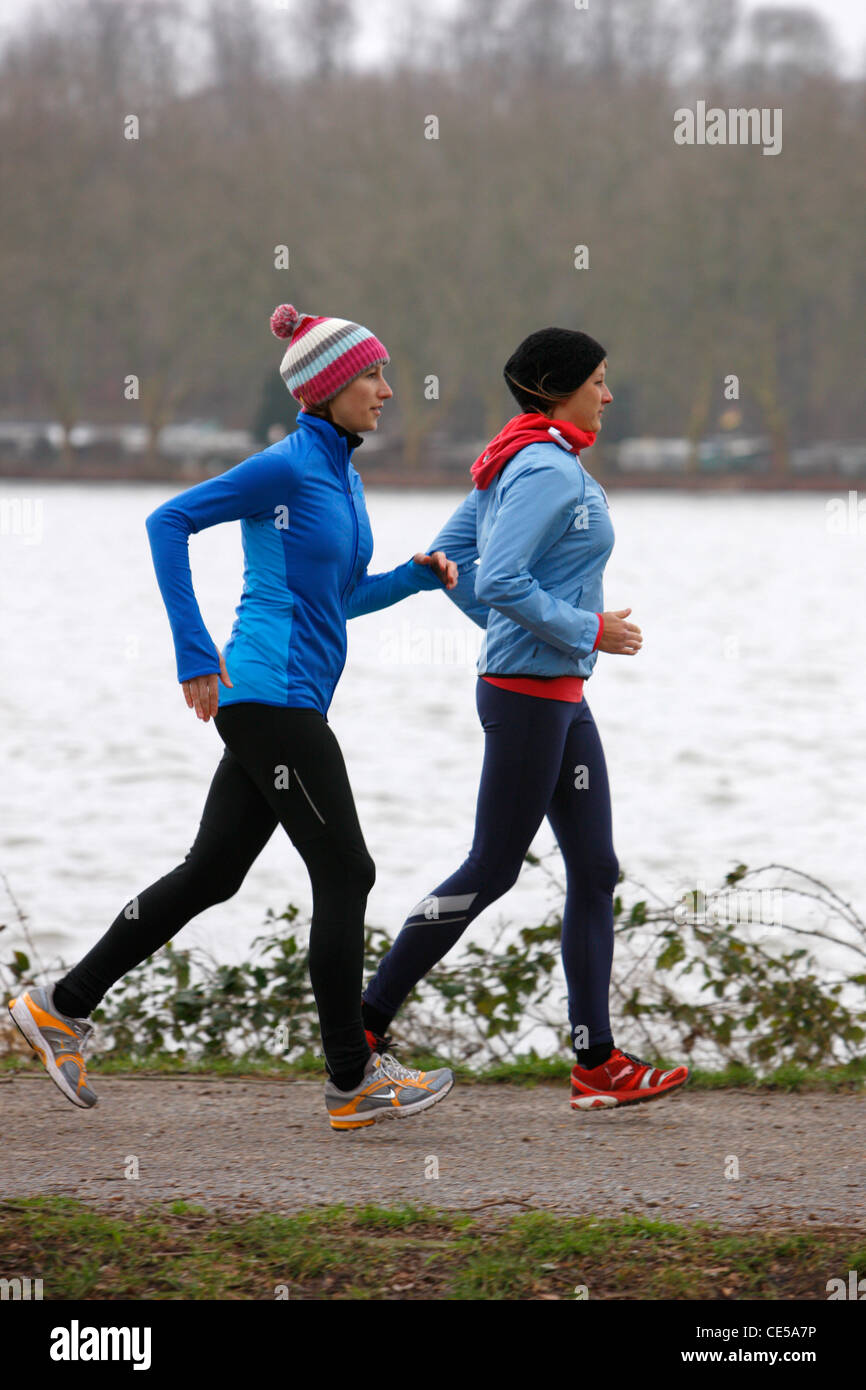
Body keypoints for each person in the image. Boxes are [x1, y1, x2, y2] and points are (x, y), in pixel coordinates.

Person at [8, 303, 457, 1131]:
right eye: (373, 376)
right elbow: (166, 520)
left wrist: (416, 578)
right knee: (347, 872)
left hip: (285, 701)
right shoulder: (286, 467)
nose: (389, 390)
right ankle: (352, 1078)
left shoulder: (341, 477)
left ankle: (61, 1008)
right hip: (267, 701)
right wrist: (193, 652)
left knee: (214, 872)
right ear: (326, 389)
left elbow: (338, 597)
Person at [360, 325, 689, 1109]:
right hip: (529, 696)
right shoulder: (542, 467)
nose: (610, 395)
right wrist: (587, 629)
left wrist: (528, 629)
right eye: (600, 381)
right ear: (559, 386)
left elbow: (446, 564)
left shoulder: (513, 455)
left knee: (595, 868)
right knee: (491, 869)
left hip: (557, 696)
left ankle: (596, 1063)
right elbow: (496, 576)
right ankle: (362, 1024)